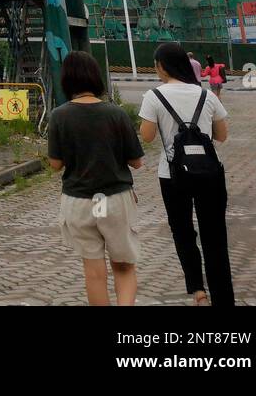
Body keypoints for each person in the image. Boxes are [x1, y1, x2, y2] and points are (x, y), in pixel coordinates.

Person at [47, 51, 145, 305]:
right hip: (114, 199)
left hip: (79, 202)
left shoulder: (59, 115)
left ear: (67, 80)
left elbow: (55, 165)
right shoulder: (117, 114)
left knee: (93, 273)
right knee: (123, 267)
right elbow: (136, 161)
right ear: (95, 78)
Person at [139, 42, 233, 306]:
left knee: (183, 231)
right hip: (210, 173)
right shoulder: (207, 95)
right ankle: (224, 299)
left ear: (161, 66)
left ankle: (198, 291)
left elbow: (147, 138)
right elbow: (222, 136)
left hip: (173, 175)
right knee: (214, 235)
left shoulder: (153, 96)